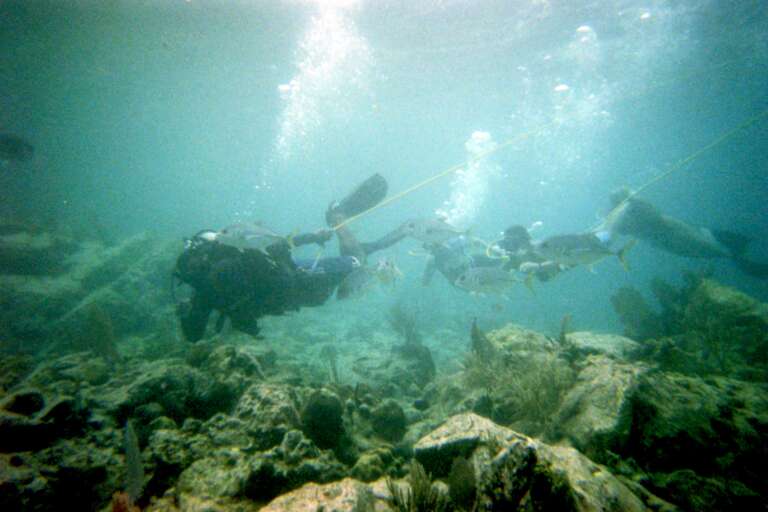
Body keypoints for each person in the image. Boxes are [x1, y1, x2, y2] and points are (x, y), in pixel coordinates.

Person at [174, 174, 407, 342]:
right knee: (355, 261)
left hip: (299, 281)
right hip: (295, 280)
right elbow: (278, 244)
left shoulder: (204, 291)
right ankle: (356, 228)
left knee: (356, 260)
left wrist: (184, 309)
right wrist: (311, 237)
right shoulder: (217, 274)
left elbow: (193, 334)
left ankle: (338, 217)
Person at [601, 188, 768, 278]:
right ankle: (737, 257)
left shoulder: (638, 208)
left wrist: (631, 197)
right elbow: (613, 230)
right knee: (719, 250)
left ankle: (739, 255)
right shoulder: (623, 220)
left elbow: (653, 215)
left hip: (676, 234)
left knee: (715, 246)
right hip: (669, 243)